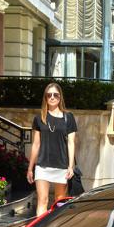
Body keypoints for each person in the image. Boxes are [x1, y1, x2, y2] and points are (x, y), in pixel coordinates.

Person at [26, 83, 77, 216]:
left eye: (56, 95)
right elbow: (36, 145)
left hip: (62, 165)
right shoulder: (39, 118)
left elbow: (71, 143)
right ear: (45, 98)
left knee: (59, 201)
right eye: (49, 95)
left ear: (60, 97)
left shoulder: (68, 117)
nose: (52, 97)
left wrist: (70, 166)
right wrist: (30, 168)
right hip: (42, 165)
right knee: (42, 200)